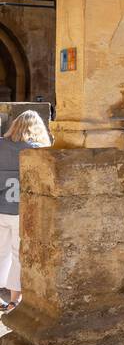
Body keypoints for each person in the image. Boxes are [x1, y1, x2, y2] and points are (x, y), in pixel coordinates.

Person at [0, 110, 52, 313]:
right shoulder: (39, 150)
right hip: (23, 212)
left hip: (1, 209)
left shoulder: (1, 145)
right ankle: (14, 299)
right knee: (17, 255)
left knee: (1, 253)